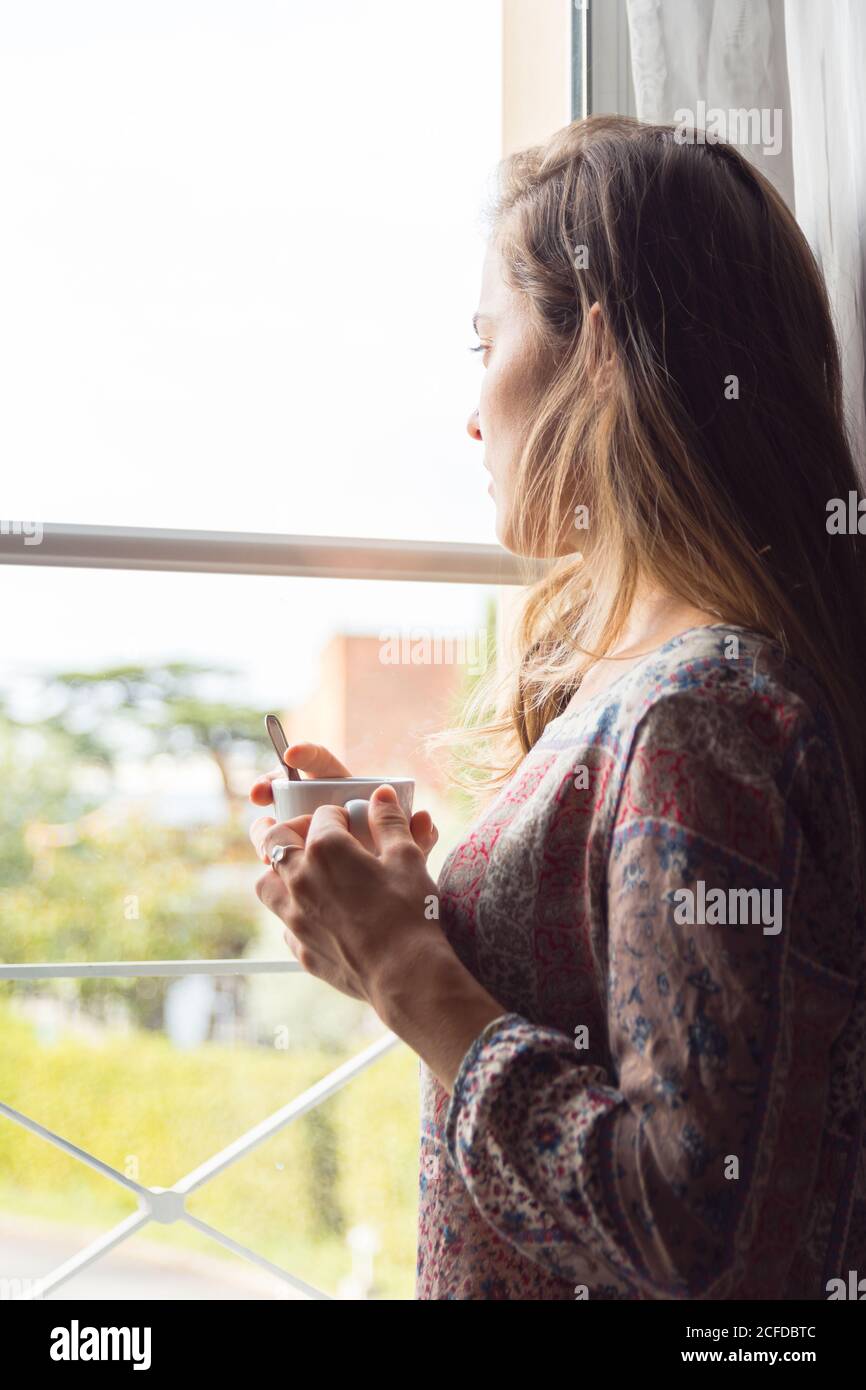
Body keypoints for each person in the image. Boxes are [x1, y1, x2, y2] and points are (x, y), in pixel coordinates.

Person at [249, 116, 866, 1300]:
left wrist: (403, 965)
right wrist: (404, 918)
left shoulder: (701, 716)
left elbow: (700, 1236)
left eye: (484, 342)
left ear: (593, 346)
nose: (471, 415)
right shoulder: (655, 692)